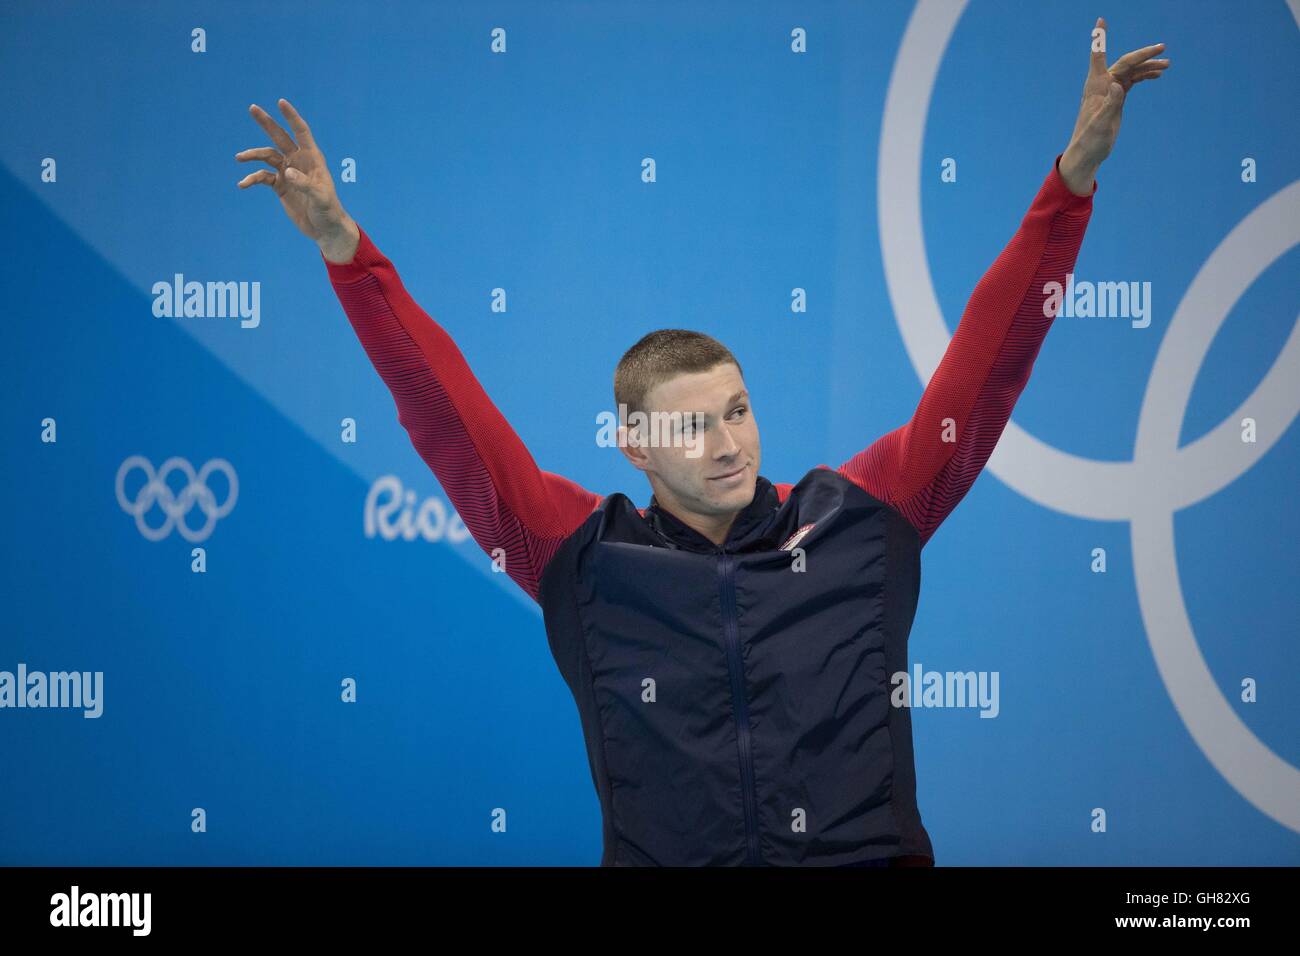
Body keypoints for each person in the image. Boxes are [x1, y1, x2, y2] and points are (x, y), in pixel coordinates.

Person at [236, 17, 1168, 866]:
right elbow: (449, 420)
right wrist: (347, 253)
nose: (729, 443)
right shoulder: (582, 559)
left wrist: (1070, 185)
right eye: (692, 424)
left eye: (738, 409)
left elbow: (988, 368)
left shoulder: (859, 519)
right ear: (632, 444)